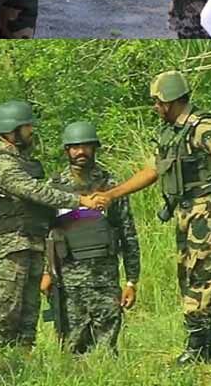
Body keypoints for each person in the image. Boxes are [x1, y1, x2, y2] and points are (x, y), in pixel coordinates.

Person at [95, 71, 211, 364]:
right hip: (186, 210)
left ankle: (197, 346)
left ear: (173, 101)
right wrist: (114, 193)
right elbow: (153, 170)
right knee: (188, 274)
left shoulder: (203, 128)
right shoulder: (172, 132)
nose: (155, 107)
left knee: (200, 275)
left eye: (158, 102)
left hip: (208, 208)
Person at [0, 100, 107, 349]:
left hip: (33, 245)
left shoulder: (23, 162)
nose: (32, 132)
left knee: (28, 316)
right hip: (13, 248)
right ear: (13, 130)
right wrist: (79, 200)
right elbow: (37, 193)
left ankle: (24, 363)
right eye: (28, 127)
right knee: (6, 312)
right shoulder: (3, 164)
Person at [40, 121, 141, 354]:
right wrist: (45, 272)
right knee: (71, 349)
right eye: (74, 147)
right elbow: (46, 235)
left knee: (106, 351)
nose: (80, 152)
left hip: (104, 281)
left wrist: (131, 282)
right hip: (67, 283)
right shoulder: (54, 188)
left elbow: (128, 234)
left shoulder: (111, 186)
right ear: (67, 150)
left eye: (86, 146)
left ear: (95, 148)